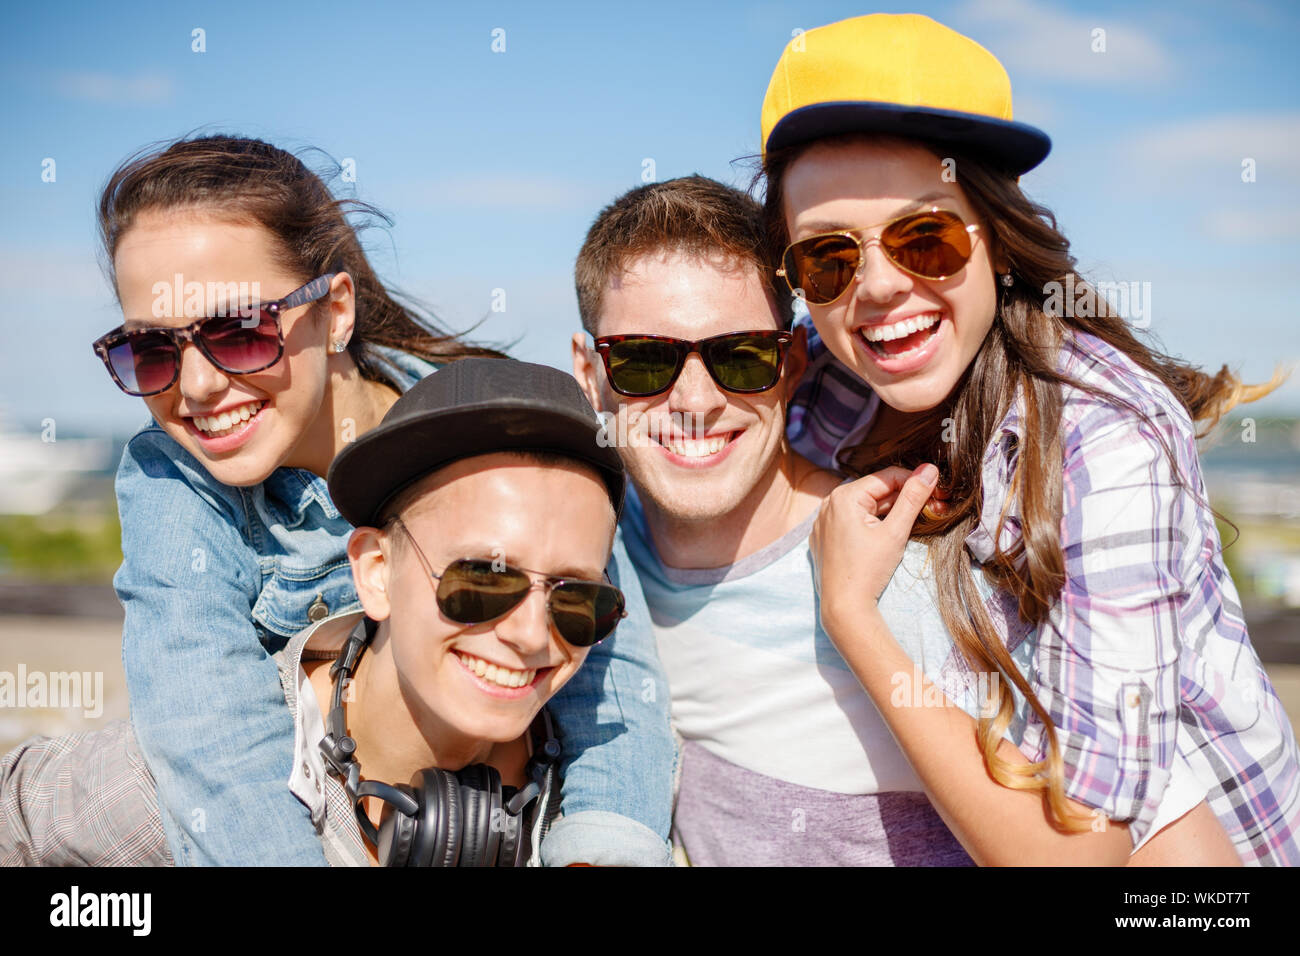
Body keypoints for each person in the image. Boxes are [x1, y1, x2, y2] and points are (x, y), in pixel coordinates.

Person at [758, 13, 1299, 864]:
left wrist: (849, 611)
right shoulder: (832, 383)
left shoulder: (1106, 442)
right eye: (827, 259)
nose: (878, 288)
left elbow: (1079, 853)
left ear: (1001, 240)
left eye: (924, 239)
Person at [92, 135, 674, 866]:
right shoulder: (170, 476)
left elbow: (618, 698)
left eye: (239, 332)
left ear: (336, 310)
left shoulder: (502, 424)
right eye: (150, 350)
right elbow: (209, 729)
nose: (197, 385)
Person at [2, 358, 633, 867]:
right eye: (483, 581)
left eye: (577, 599)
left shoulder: (606, 805)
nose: (529, 636)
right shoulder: (168, 785)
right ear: (375, 574)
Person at [572, 174, 976, 864]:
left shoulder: (903, 568)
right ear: (589, 372)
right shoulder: (587, 555)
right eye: (644, 361)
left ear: (790, 363)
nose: (695, 399)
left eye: (740, 356)